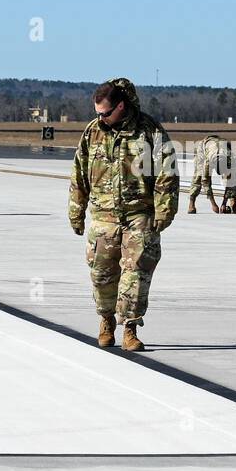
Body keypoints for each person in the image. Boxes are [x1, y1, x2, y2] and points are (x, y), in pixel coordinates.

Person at [68, 78, 177, 352]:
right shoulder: (93, 132)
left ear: (121, 106)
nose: (100, 118)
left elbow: (167, 172)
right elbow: (79, 173)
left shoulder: (148, 131)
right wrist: (76, 211)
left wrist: (165, 210)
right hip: (104, 214)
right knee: (101, 273)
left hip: (139, 213)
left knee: (136, 274)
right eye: (97, 113)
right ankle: (106, 322)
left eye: (105, 113)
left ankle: (130, 327)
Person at [189, 135, 236, 214]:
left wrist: (224, 203)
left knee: (231, 180)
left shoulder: (231, 160)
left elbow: (231, 181)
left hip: (223, 145)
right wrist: (213, 204)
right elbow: (206, 182)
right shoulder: (208, 161)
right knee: (198, 176)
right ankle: (191, 204)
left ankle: (233, 205)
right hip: (204, 148)